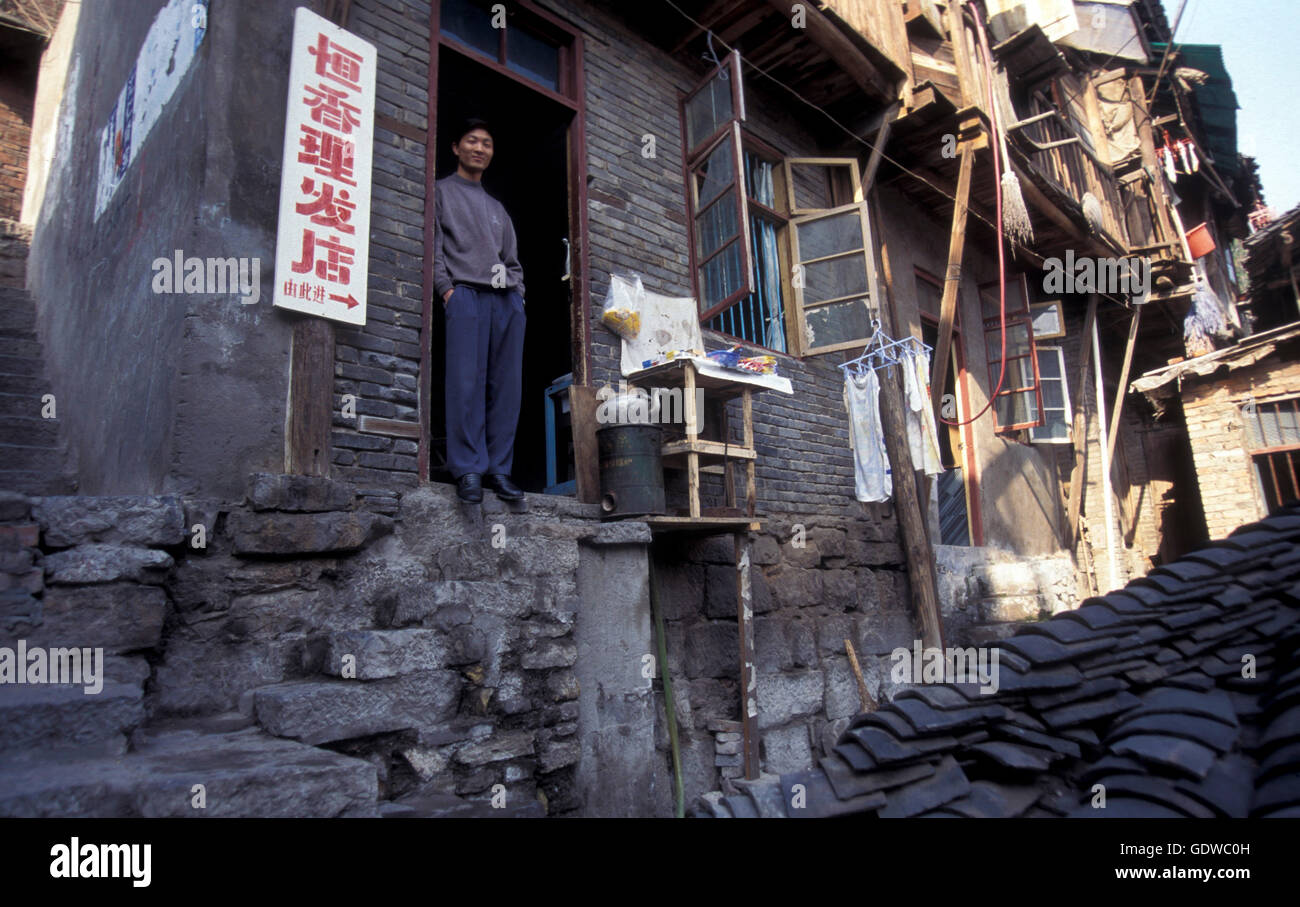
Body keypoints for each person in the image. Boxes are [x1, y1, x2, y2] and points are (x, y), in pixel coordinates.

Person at [433, 117, 527, 504]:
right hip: (465, 297)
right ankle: (468, 469)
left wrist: (518, 296)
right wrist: (447, 292)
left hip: (505, 301)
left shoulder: (497, 208)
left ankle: (499, 471)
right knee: (465, 384)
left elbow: (513, 262)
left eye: (487, 143)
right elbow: (433, 248)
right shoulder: (440, 192)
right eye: (472, 141)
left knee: (506, 389)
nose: (480, 148)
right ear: (456, 147)